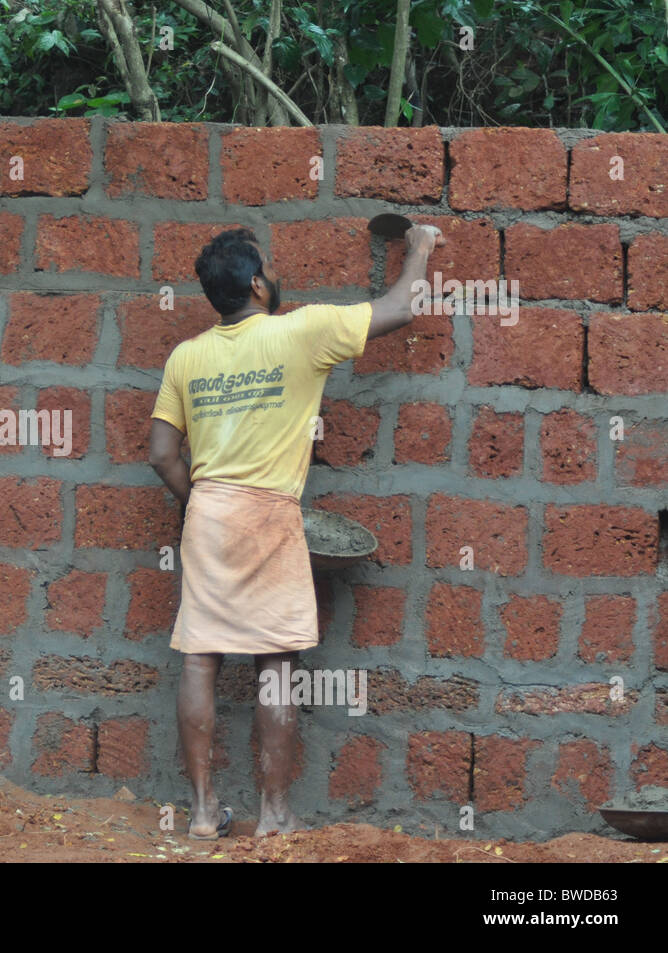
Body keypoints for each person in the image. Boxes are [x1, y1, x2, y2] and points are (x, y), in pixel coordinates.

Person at [149, 222, 445, 839]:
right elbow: (400, 307)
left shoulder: (186, 357)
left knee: (200, 659)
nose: (278, 273)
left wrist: (201, 499)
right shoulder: (301, 330)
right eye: (271, 265)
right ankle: (274, 814)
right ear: (257, 283)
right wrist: (418, 245)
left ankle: (203, 813)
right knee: (275, 667)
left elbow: (161, 454)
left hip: (207, 513)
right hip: (269, 513)